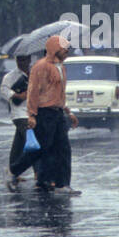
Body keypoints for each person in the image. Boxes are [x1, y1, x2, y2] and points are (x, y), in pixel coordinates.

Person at [10, 35, 79, 194]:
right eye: (63, 48)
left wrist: (68, 112)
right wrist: (32, 115)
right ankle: (14, 171)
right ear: (54, 48)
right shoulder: (40, 67)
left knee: (63, 149)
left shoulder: (61, 67)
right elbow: (33, 91)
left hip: (58, 113)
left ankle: (61, 184)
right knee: (41, 149)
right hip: (44, 113)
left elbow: (60, 93)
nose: (66, 51)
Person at [0, 53, 31, 191]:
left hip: (31, 112)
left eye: (24, 59)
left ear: (29, 60)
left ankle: (13, 169)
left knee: (19, 144)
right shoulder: (11, 76)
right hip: (19, 114)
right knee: (31, 143)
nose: (21, 62)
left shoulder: (33, 74)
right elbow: (3, 90)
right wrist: (16, 95)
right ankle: (37, 172)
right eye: (19, 59)